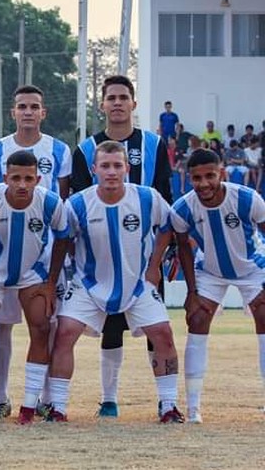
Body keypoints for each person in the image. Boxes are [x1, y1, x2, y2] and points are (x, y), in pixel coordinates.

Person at [48, 140, 180, 423]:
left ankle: (169, 405)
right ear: (94, 169)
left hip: (138, 283)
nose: (111, 172)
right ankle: (57, 407)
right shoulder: (77, 203)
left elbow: (168, 227)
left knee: (163, 334)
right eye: (105, 166)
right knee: (65, 333)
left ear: (127, 168)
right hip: (88, 283)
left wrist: (154, 266)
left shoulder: (147, 198)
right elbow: (63, 239)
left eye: (117, 166)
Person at [70, 75, 172, 417]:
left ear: (133, 103)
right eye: (111, 98)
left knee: (155, 327)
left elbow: (165, 200)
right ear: (102, 105)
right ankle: (109, 398)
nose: (117, 103)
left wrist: (157, 261)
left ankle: (166, 401)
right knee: (112, 327)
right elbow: (79, 205)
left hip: (143, 256)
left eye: (123, 97)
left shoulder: (154, 144)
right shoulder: (86, 149)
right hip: (101, 258)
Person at [0, 85, 71, 417]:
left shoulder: (59, 150)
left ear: (43, 112)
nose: (28, 111)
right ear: (13, 112)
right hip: (1, 256)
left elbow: (60, 201)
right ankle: (1, 397)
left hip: (41, 255)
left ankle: (44, 397)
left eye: (34, 106)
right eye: (22, 106)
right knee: (1, 324)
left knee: (46, 324)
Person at [0, 150, 69, 424]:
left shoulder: (50, 202)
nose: (22, 184)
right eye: (16, 178)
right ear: (5, 177)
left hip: (32, 273)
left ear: (38, 179)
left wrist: (51, 282)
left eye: (28, 179)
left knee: (41, 328)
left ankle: (29, 408)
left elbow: (63, 237)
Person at [170, 148, 265, 422]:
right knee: (197, 319)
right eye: (196, 178)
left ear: (221, 173)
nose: (204, 184)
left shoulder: (248, 199)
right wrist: (191, 292)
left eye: (210, 176)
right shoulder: (183, 208)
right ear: (189, 178)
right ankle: (193, 409)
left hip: (252, 268)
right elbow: (184, 249)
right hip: (210, 271)